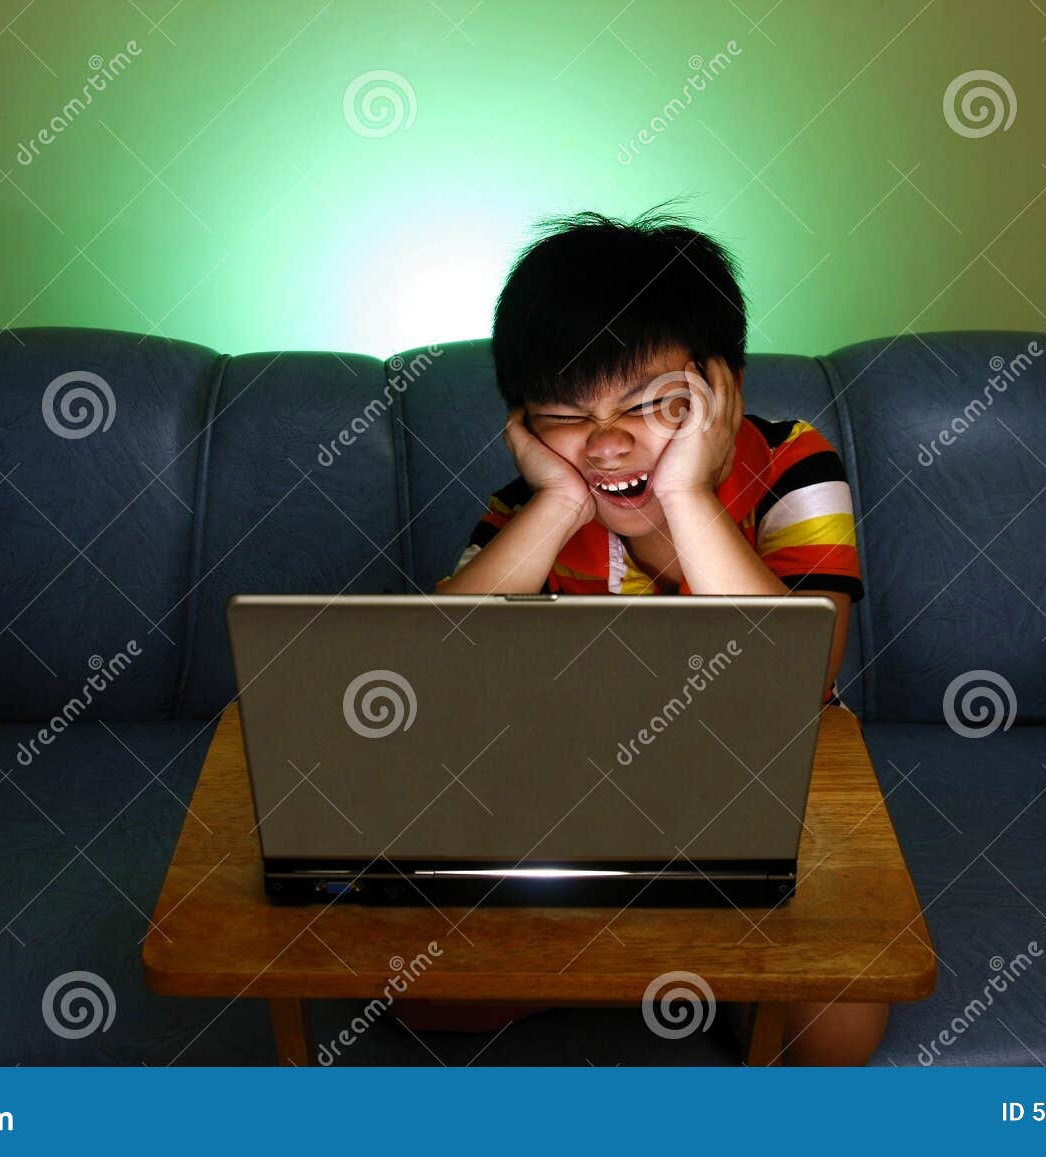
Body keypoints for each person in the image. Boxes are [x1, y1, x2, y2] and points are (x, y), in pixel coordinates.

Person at [402, 206, 882, 1064]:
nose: (609, 441)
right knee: (419, 995)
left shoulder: (794, 464)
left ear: (722, 387)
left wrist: (689, 499)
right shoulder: (533, 508)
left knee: (838, 1031)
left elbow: (800, 672)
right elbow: (437, 665)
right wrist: (555, 504)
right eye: (566, 414)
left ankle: (671, 973)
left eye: (651, 405)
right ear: (526, 422)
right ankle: (631, 967)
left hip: (753, 791)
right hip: (564, 793)